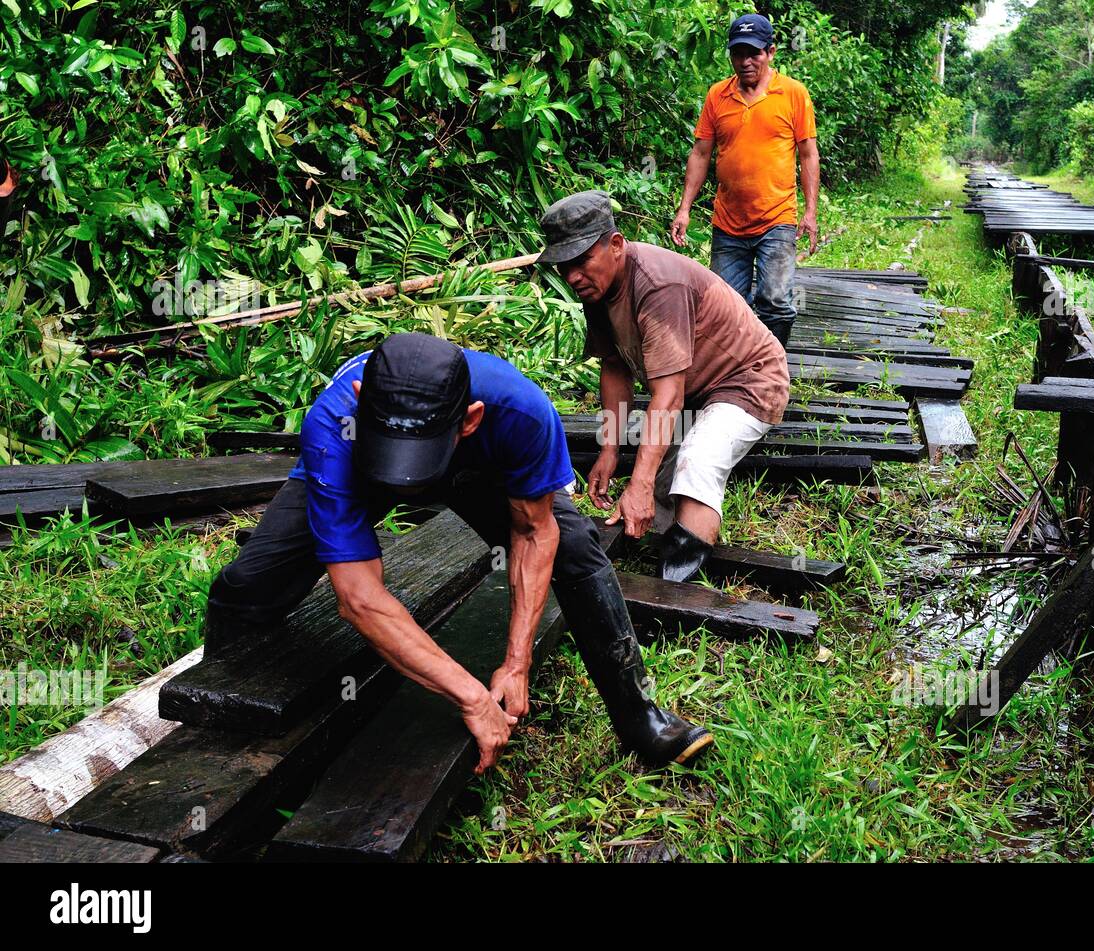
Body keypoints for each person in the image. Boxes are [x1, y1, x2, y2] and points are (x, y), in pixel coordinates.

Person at [204, 333, 712, 773]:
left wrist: (516, 664)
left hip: (476, 468)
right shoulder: (336, 421)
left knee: (574, 546)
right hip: (356, 464)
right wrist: (471, 696)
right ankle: (221, 707)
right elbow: (359, 596)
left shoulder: (521, 413)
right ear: (360, 398)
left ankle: (640, 715)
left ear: (470, 419)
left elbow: (534, 533)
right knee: (249, 584)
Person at [538, 190, 790, 582]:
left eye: (583, 260)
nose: (572, 277)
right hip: (695, 389)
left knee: (697, 462)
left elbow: (667, 395)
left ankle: (677, 593)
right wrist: (609, 450)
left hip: (749, 380)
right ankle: (666, 546)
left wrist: (636, 484)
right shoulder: (595, 285)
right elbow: (615, 367)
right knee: (659, 492)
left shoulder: (658, 285)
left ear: (616, 245)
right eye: (563, 266)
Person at [670, 13, 820, 348]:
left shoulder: (793, 94)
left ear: (771, 52)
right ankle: (740, 372)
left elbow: (808, 155)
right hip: (728, 222)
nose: (746, 61)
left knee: (776, 301)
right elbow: (700, 153)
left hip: (777, 218)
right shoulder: (717, 96)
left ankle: (773, 370)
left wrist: (810, 213)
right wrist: (684, 209)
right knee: (726, 304)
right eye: (739, 53)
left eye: (754, 53)